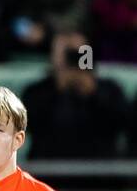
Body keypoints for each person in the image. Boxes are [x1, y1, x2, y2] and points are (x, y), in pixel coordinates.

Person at [21, 31, 131, 159]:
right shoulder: (36, 92)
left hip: (100, 169)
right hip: (49, 167)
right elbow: (30, 126)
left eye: (78, 53)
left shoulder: (110, 90)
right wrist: (58, 88)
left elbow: (123, 123)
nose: (73, 58)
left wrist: (92, 92)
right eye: (67, 53)